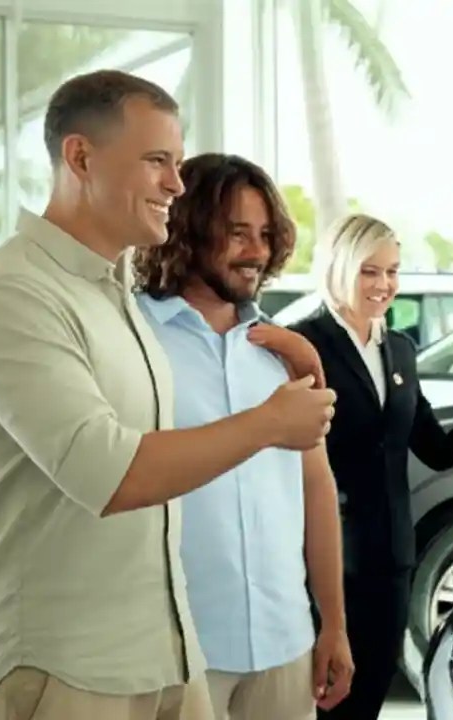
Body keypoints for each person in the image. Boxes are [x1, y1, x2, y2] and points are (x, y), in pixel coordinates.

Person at [0, 69, 335, 720]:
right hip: (67, 665)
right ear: (80, 157)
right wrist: (269, 423)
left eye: (179, 165)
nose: (176, 185)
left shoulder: (113, 296)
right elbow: (109, 469)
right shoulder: (13, 291)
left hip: (165, 654)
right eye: (158, 161)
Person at [133, 152, 353, 720]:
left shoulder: (283, 354)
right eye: (236, 234)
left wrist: (333, 623)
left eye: (263, 234)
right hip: (174, 649)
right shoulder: (132, 341)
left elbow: (315, 489)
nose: (256, 252)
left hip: (286, 642)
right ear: (187, 228)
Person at [247, 213, 453, 720]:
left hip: (391, 559)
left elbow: (433, 446)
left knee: (369, 695)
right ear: (339, 268)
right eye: (370, 271)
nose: (384, 285)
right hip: (321, 561)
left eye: (392, 271)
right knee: (323, 700)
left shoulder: (400, 350)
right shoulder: (303, 346)